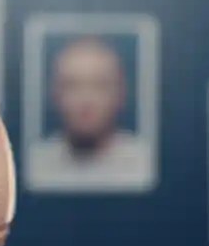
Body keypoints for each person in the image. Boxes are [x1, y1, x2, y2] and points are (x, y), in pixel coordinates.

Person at [28, 36, 148, 179]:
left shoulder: (146, 164)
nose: (86, 100)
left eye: (100, 85)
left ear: (121, 94)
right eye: (72, 85)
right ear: (55, 95)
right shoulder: (33, 165)